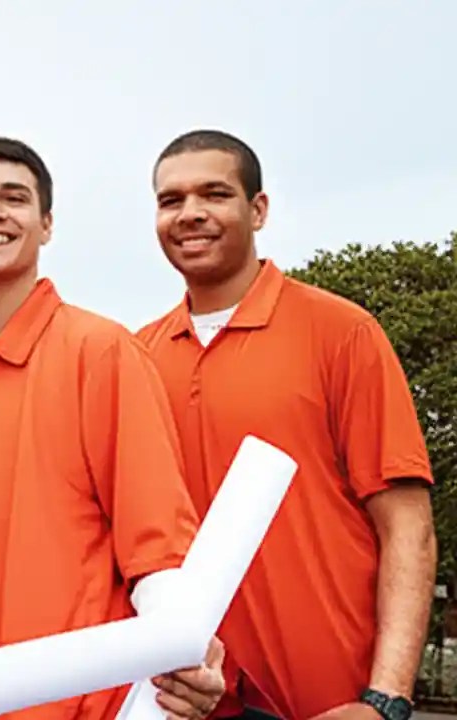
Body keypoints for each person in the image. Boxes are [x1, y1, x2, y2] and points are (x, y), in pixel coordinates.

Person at [0, 136, 225, 720]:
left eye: (15, 198)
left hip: (84, 706)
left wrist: (184, 648)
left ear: (45, 225)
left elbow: (156, 543)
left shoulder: (101, 351)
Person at [138, 129, 436, 720]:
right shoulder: (135, 356)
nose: (191, 214)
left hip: (331, 700)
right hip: (189, 702)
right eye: (171, 200)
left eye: (214, 194)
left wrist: (385, 699)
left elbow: (408, 527)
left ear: (258, 209)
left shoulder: (340, 332)